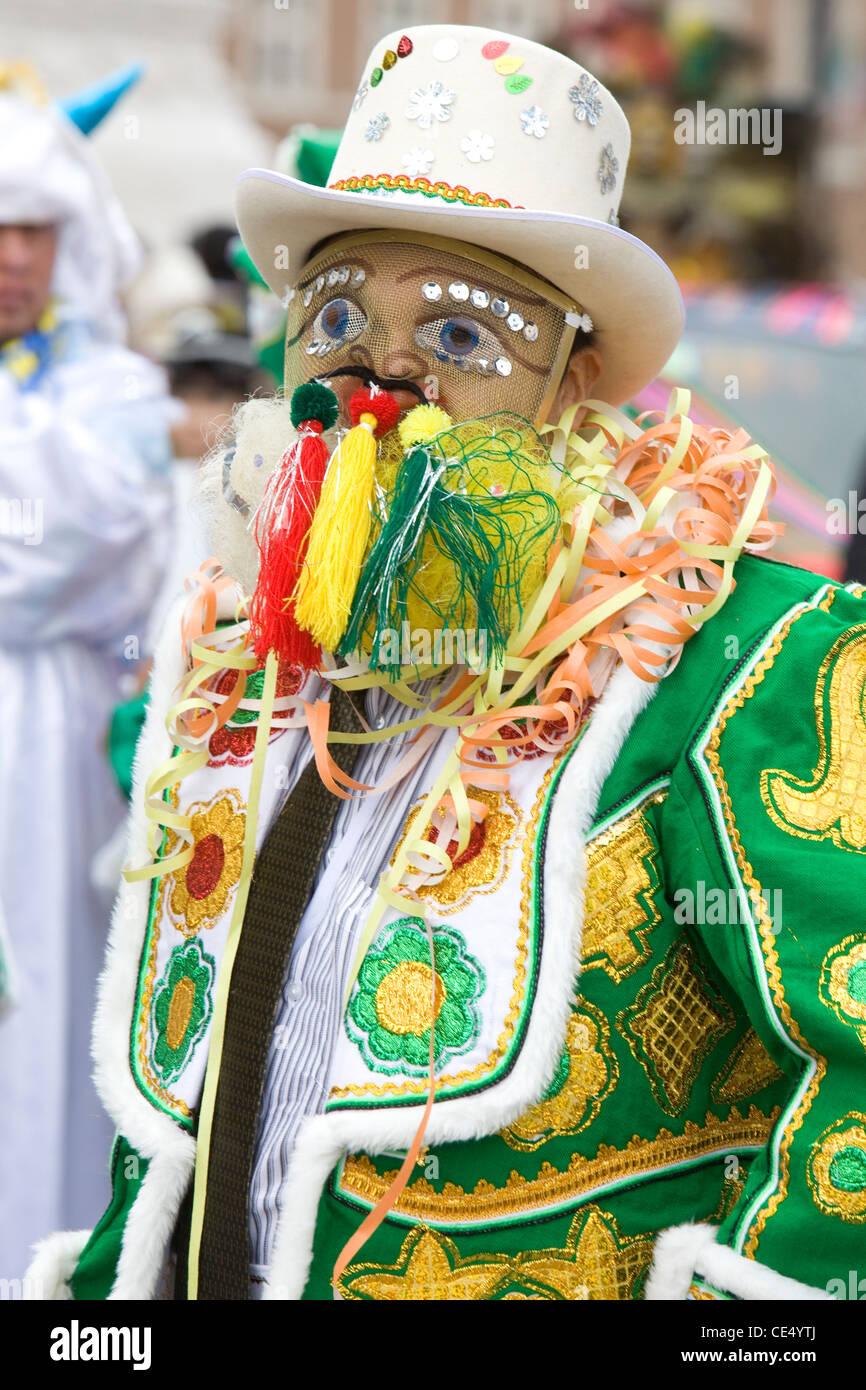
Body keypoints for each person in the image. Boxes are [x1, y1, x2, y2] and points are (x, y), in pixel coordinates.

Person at [30, 27, 862, 1303]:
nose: (383, 373)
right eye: (338, 314)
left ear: (573, 385)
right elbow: (174, 1148)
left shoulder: (733, 663)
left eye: (463, 336)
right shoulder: (232, 659)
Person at [0, 67, 173, 1280]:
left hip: (55, 752)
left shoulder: (117, 393)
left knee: (48, 1013)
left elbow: (69, 555)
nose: (10, 255)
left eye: (32, 229)